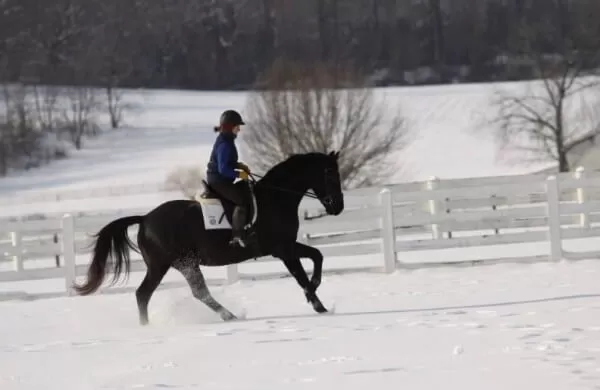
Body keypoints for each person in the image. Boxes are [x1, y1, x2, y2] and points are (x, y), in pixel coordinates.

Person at [206, 109, 253, 247]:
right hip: (219, 182)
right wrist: (239, 174)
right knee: (241, 200)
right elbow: (223, 169)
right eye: (237, 126)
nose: (239, 129)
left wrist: (240, 165)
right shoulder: (225, 144)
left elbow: (227, 163)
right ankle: (237, 236)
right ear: (229, 127)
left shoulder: (226, 140)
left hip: (221, 179)